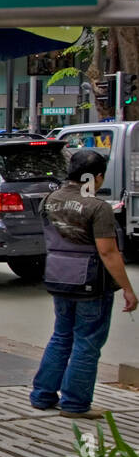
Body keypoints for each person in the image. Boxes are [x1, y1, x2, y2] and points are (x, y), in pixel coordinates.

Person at [30, 149, 139, 419]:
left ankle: (42, 395)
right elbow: (108, 252)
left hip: (58, 276)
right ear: (96, 177)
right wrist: (127, 287)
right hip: (91, 282)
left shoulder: (50, 199)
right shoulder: (97, 207)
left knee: (61, 336)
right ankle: (75, 403)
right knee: (87, 343)